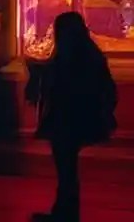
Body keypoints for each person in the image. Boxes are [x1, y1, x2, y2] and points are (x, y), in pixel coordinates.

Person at [27, 12, 117, 222]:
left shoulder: (70, 56)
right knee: (67, 168)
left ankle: (65, 213)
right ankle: (64, 210)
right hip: (79, 118)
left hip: (68, 119)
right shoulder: (90, 54)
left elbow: (62, 83)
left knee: (66, 168)